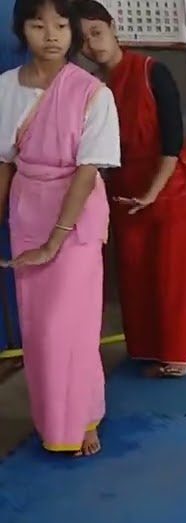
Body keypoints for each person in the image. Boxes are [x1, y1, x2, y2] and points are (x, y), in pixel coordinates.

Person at [0, 0, 120, 456]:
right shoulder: (5, 89)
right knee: (38, 329)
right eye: (37, 24)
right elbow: (4, 164)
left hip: (74, 220)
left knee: (69, 326)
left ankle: (83, 421)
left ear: (72, 32)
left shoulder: (93, 93)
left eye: (60, 25)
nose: (50, 34)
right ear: (22, 31)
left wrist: (56, 239)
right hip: (26, 213)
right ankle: (57, 419)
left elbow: (88, 171)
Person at [76, 0, 186, 378]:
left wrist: (153, 191)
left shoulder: (153, 71)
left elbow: (172, 138)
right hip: (125, 191)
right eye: (83, 40)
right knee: (134, 274)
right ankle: (150, 350)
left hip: (170, 187)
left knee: (172, 275)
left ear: (113, 27)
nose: (93, 45)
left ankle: (177, 357)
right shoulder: (94, 88)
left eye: (97, 33)